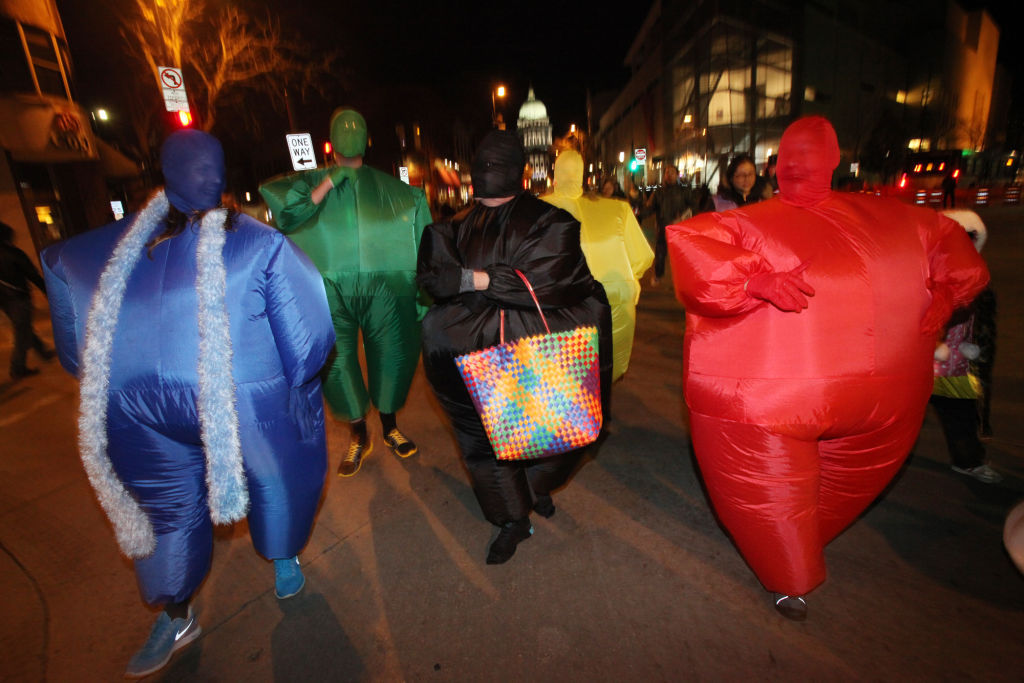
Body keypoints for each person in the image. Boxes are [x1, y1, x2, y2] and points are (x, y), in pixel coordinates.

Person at [666, 116, 989, 621]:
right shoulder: (903, 221)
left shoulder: (748, 224)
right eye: (792, 154)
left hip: (777, 398)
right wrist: (751, 283)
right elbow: (690, 246)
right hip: (871, 396)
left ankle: (792, 564)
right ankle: (793, 566)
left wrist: (948, 292)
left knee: (782, 492)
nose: (797, 164)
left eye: (804, 154)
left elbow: (690, 246)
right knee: (794, 492)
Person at [41, 130, 335, 677]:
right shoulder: (260, 245)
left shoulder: (85, 254)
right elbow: (310, 341)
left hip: (136, 408)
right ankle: (281, 555)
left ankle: (177, 611)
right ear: (220, 177)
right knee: (278, 477)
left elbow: (75, 350)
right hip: (244, 402)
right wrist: (300, 385)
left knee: (165, 507)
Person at [417, 130, 612, 564]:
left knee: (548, 427)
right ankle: (515, 514)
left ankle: (529, 494)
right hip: (485, 355)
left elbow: (555, 278)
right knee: (494, 439)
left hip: (524, 351)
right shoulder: (457, 226)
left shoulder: (547, 223)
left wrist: (475, 280)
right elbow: (436, 278)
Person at [260, 108, 431, 477]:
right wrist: (326, 184)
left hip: (384, 288)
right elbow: (284, 213)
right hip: (329, 288)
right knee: (336, 363)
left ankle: (389, 427)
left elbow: (423, 240)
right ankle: (359, 433)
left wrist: (422, 294)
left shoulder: (399, 193)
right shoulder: (312, 186)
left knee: (392, 355)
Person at [543, 149, 653, 382]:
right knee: (605, 372)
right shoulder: (618, 210)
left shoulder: (535, 211)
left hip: (559, 307)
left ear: (556, 174)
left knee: (565, 377)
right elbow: (642, 258)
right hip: (613, 303)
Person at [930, 210, 1002, 484]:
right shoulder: (924, 275)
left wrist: (975, 348)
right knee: (896, 423)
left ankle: (969, 461)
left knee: (961, 416)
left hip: (955, 367)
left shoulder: (977, 280)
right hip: (919, 365)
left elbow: (982, 325)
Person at [0, 221, 55, 379]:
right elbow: (33, 275)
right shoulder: (14, 253)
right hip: (18, 298)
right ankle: (18, 368)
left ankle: (42, 351)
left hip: (4, 300)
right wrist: (47, 291)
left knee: (23, 327)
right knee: (21, 332)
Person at [641, 164, 696, 284]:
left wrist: (684, 217)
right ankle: (658, 275)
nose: (669, 175)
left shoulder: (684, 191)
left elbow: (693, 207)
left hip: (679, 229)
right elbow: (650, 208)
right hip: (663, 227)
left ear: (677, 175)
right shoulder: (658, 192)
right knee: (660, 253)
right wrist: (639, 215)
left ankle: (683, 279)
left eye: (672, 172)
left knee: (681, 255)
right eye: (667, 173)